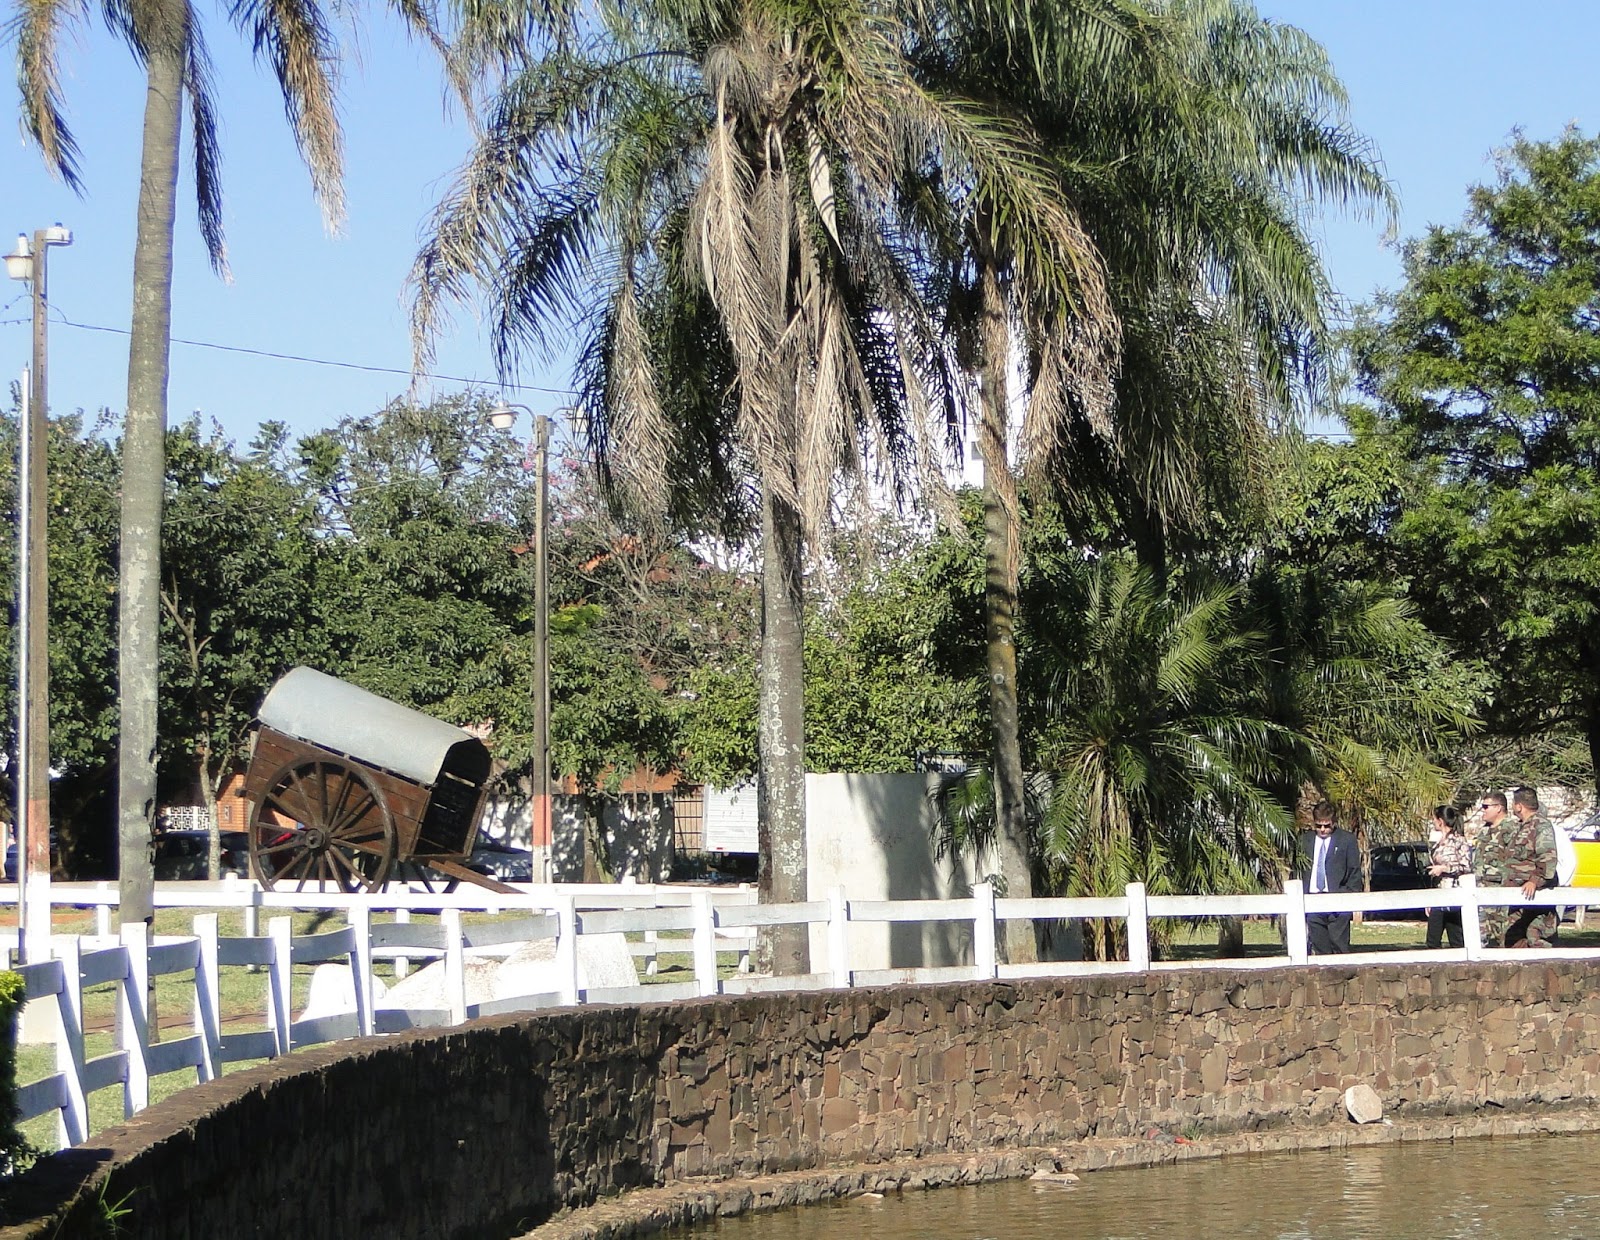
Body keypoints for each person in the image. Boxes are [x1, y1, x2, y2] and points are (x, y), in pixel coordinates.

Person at [1474, 787, 1558, 947]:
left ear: (1519, 806)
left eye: (1513, 803)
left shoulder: (1541, 825)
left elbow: (1548, 858)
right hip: (1516, 897)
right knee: (1512, 941)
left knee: (1536, 941)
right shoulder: (1520, 827)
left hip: (1533, 896)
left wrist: (1534, 881)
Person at [1297, 801, 1362, 954]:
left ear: (1334, 823)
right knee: (1320, 948)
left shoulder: (1347, 840)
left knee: (1339, 946)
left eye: (1326, 826)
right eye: (1319, 826)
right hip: (1312, 901)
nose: (1323, 830)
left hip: (1338, 901)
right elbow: (1298, 869)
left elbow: (1354, 871)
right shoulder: (1305, 841)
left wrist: (1346, 895)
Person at [1425, 804, 1471, 949]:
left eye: (1434, 818)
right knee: (1432, 940)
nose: (1433, 822)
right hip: (1438, 896)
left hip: (1454, 896)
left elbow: (1467, 866)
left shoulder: (1459, 842)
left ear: (1441, 820)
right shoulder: (1438, 843)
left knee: (1456, 939)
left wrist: (1444, 868)